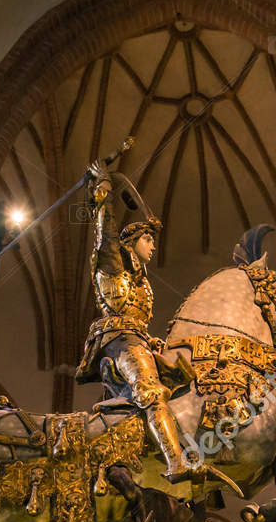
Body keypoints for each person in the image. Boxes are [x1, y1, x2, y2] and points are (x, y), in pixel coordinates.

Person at [73, 145, 194, 481]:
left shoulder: (142, 281)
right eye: (148, 239)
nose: (153, 246)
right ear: (133, 241)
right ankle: (176, 463)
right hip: (118, 340)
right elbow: (106, 234)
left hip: (137, 339)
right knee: (150, 391)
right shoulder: (114, 265)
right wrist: (104, 190)